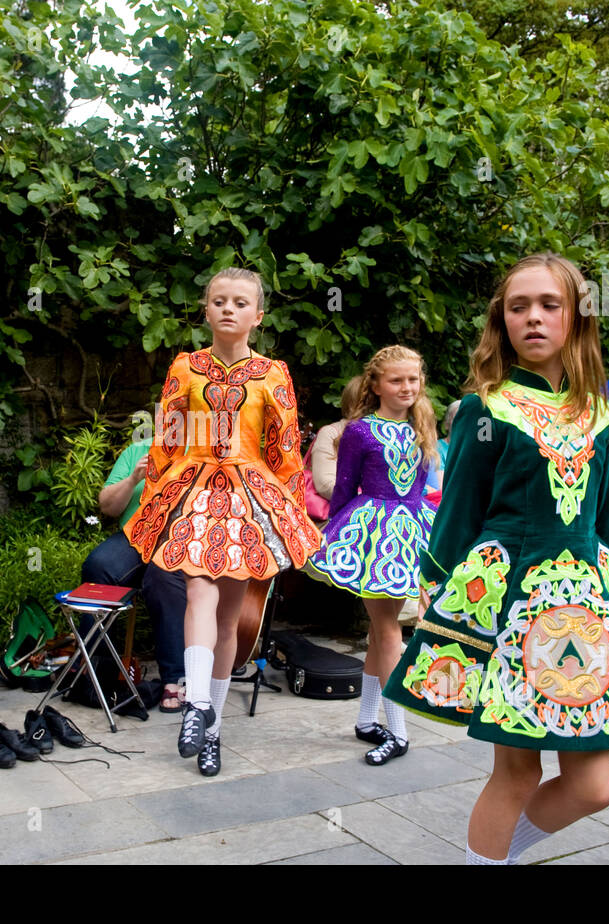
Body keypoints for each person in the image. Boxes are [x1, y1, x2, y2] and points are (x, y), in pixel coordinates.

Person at [385, 253, 609, 866]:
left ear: (577, 318)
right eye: (519, 307)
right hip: (507, 600)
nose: (533, 318)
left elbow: (607, 523)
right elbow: (459, 512)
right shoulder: (485, 408)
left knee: (596, 787)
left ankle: (495, 858)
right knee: (515, 775)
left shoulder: (605, 413)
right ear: (502, 320)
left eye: (550, 305)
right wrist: (438, 591)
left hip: (589, 607)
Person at [125, 267, 321, 777]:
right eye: (218, 301)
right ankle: (194, 702)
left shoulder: (274, 373)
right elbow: (167, 436)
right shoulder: (185, 367)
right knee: (198, 592)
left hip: (247, 496)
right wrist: (157, 501)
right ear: (206, 310)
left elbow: (285, 449)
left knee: (230, 619)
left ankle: (211, 732)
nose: (228, 309)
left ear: (258, 316)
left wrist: (285, 510)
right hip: (193, 490)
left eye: (239, 302)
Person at [305, 346, 437, 765]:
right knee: (387, 631)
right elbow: (343, 490)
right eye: (396, 380)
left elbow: (419, 486)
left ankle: (368, 720)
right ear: (376, 385)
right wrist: (340, 537)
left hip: (413, 530)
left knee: (384, 632)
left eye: (413, 379)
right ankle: (397, 731)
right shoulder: (360, 431)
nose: (407, 387)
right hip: (374, 535)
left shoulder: (423, 424)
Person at [79, 434, 187, 711]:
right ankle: (97, 673)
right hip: (135, 537)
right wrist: (133, 479)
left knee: (162, 578)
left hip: (182, 540)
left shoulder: (203, 450)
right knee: (99, 566)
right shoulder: (138, 450)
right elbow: (107, 506)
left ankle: (175, 679)